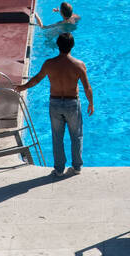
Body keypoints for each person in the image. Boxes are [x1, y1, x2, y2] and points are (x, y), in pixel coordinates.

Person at [17, 31, 93, 178]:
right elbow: (87, 87)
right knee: (76, 136)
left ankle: (59, 169)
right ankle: (76, 167)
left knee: (57, 137)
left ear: (58, 46)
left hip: (55, 103)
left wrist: (22, 87)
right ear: (72, 46)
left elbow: (36, 79)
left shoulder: (49, 64)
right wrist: (91, 103)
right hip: (72, 103)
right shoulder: (79, 65)